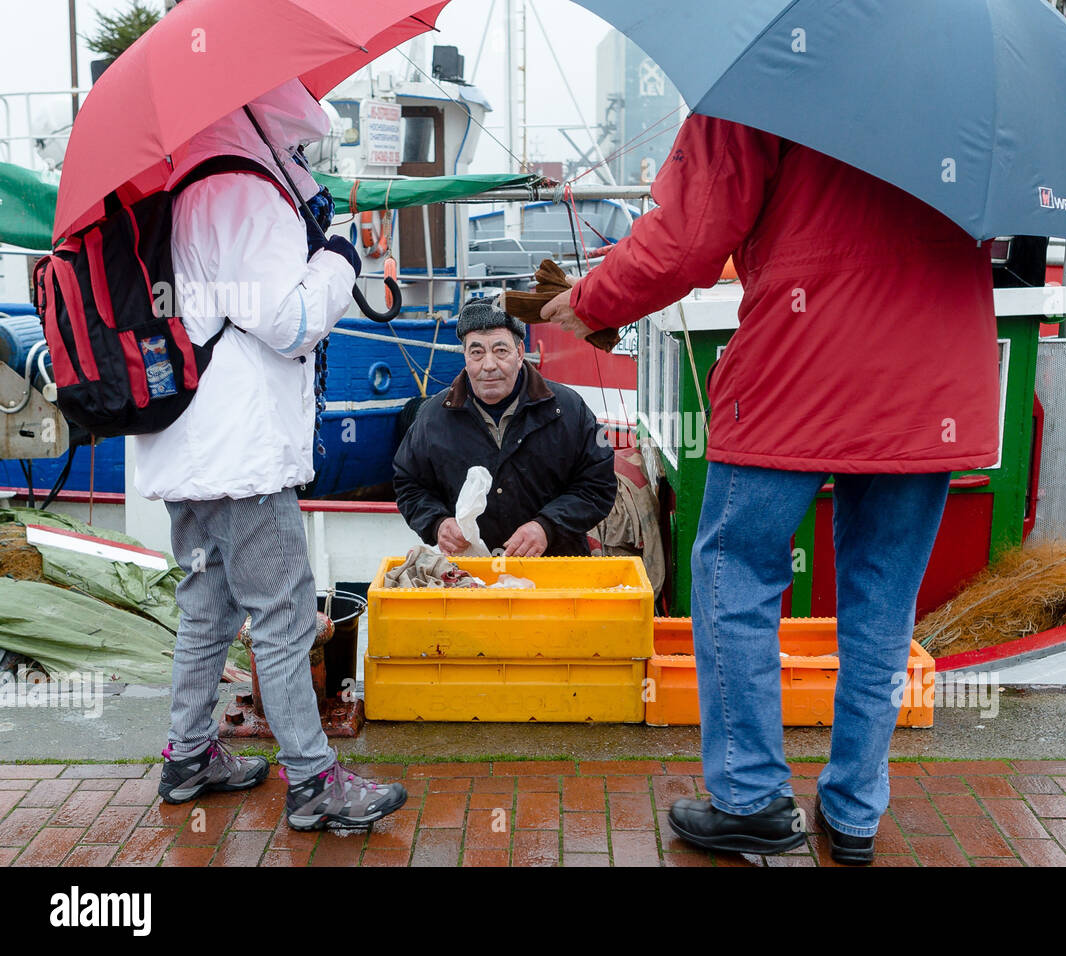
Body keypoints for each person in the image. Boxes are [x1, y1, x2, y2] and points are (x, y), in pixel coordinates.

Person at [541, 113, 1000, 864]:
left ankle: (751, 798)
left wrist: (594, 300)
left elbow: (690, 238)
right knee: (883, 600)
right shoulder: (977, 79)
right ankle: (854, 811)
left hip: (800, 365)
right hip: (936, 379)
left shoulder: (773, 59)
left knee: (735, 573)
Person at [136, 79, 407, 829]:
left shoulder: (183, 179)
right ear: (258, 103)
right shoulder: (242, 189)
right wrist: (341, 258)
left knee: (205, 609)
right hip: (242, 451)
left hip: (188, 444)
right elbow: (288, 323)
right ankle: (315, 783)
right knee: (285, 615)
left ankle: (187, 756)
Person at [393, 299, 616, 557]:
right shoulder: (433, 417)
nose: (488, 365)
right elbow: (408, 483)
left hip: (556, 570)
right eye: (477, 352)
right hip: (472, 576)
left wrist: (547, 526)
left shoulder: (568, 409)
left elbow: (599, 483)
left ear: (520, 353)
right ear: (465, 356)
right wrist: (437, 523)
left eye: (500, 351)